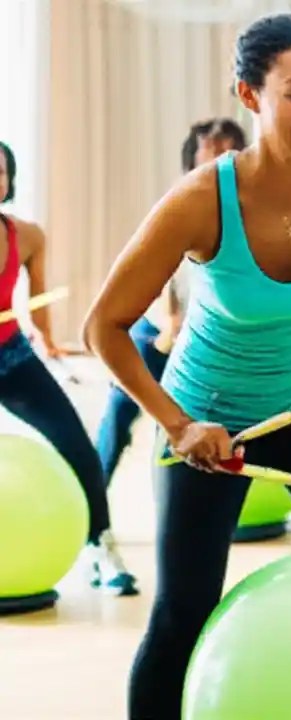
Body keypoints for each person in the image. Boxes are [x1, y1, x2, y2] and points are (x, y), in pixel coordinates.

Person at [79, 15, 291, 718]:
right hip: (207, 419)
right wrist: (178, 426)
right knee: (184, 614)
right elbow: (103, 328)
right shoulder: (202, 199)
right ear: (250, 94)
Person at [0, 139, 137, 598]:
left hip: (13, 358)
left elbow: (36, 307)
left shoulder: (29, 235)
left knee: (77, 446)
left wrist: (48, 341)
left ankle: (101, 548)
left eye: (0, 171)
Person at [95, 117, 247, 485]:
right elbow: (161, 278)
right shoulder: (180, 205)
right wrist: (170, 323)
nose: (219, 162)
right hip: (161, 330)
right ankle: (94, 514)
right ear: (191, 163)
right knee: (120, 411)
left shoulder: (248, 211)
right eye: (210, 155)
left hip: (209, 337)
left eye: (229, 153)